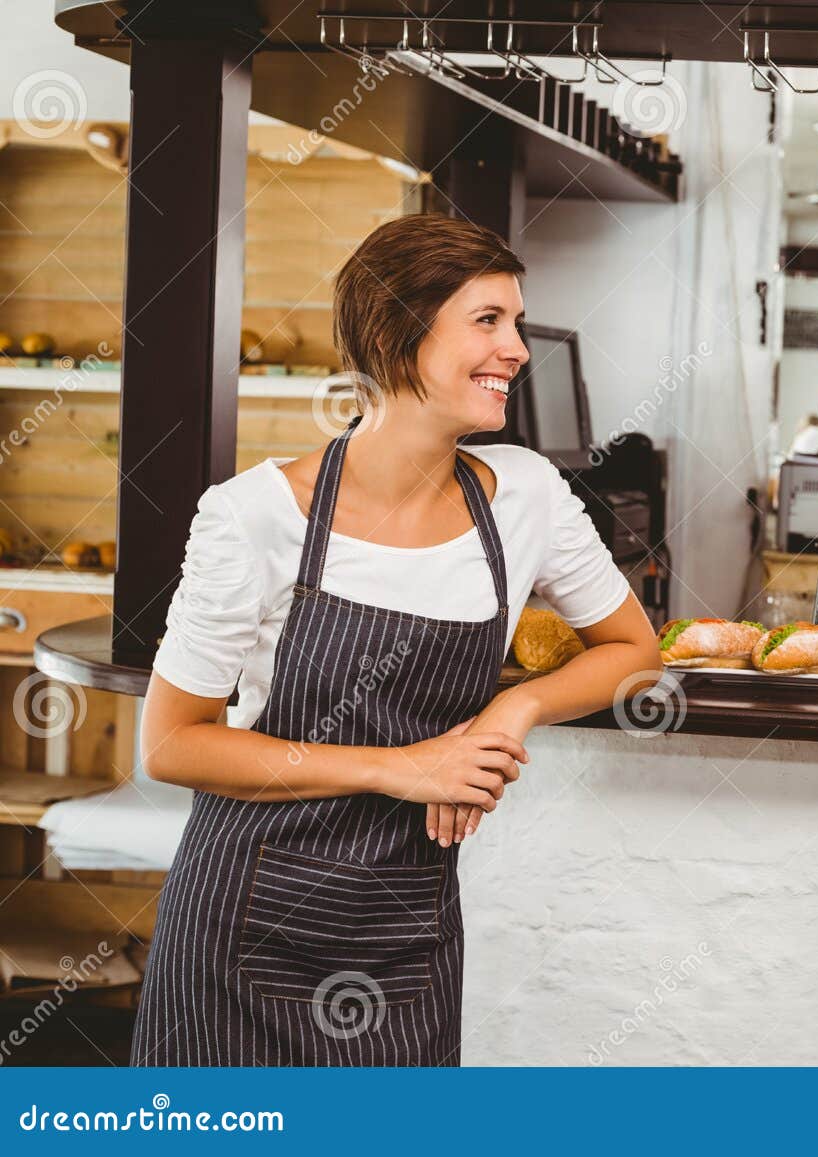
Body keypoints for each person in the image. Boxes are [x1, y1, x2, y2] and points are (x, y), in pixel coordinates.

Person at [130, 214, 662, 1066]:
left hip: (403, 929)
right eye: (488, 321)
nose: (518, 349)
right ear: (397, 334)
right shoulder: (255, 515)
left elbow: (634, 651)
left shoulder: (527, 494)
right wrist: (400, 766)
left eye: (515, 323)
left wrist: (507, 714)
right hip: (242, 923)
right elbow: (171, 743)